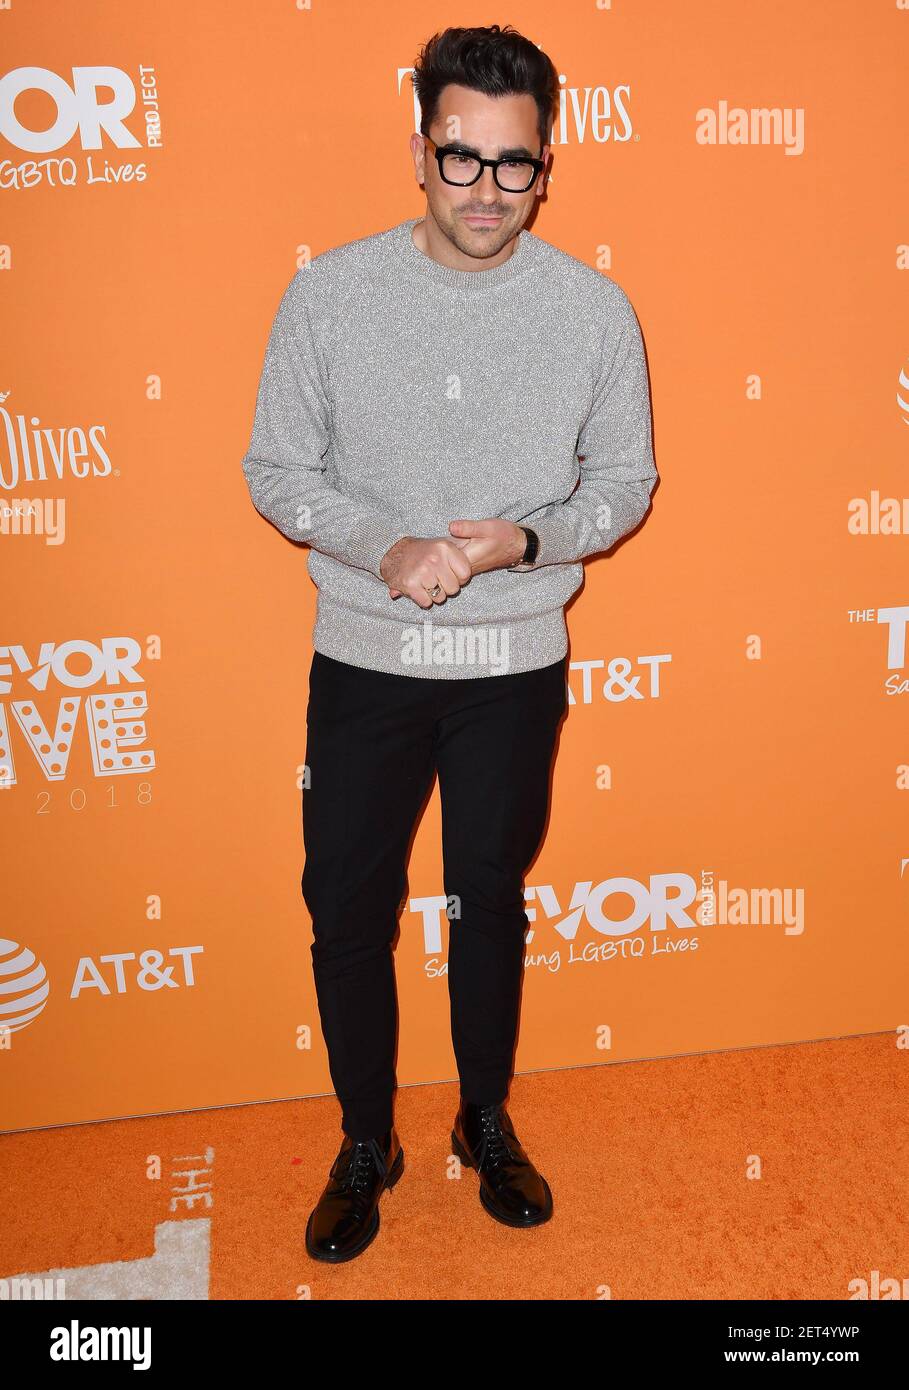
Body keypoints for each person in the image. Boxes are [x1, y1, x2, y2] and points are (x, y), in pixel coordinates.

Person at [241, 22, 658, 1263]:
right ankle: (367, 1138)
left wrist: (518, 545)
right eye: (459, 157)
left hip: (512, 670)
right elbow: (276, 468)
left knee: (489, 902)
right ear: (418, 149)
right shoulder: (328, 294)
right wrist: (386, 546)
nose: (485, 190)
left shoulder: (592, 310)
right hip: (364, 664)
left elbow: (625, 484)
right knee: (348, 910)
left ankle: (485, 1119)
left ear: (549, 162)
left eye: (512, 164)